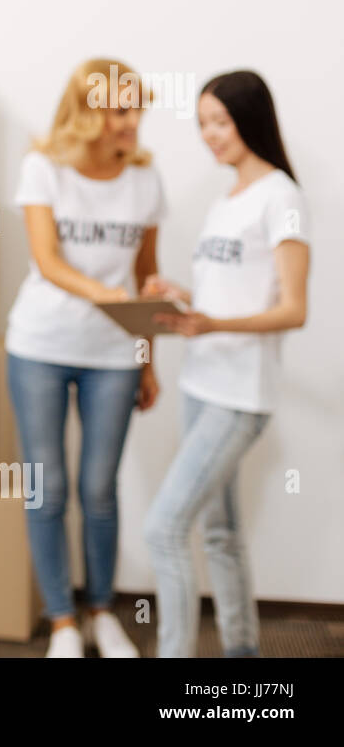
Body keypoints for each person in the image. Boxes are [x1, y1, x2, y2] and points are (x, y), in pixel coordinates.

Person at [143, 70, 310, 658]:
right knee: (219, 532)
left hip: (240, 395)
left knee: (163, 529)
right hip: (200, 383)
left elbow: (293, 309)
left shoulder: (282, 197)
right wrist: (183, 297)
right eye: (202, 124)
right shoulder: (226, 201)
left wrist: (213, 323)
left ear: (251, 117)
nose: (210, 135)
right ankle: (243, 661)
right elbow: (230, 295)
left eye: (221, 121)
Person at [5, 58, 166, 658]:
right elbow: (48, 261)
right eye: (121, 111)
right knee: (46, 490)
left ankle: (101, 612)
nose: (132, 122)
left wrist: (146, 359)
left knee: (100, 488)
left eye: (135, 109)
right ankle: (63, 623)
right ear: (89, 111)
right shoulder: (43, 168)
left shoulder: (146, 180)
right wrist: (109, 296)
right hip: (41, 346)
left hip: (115, 354)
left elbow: (145, 275)